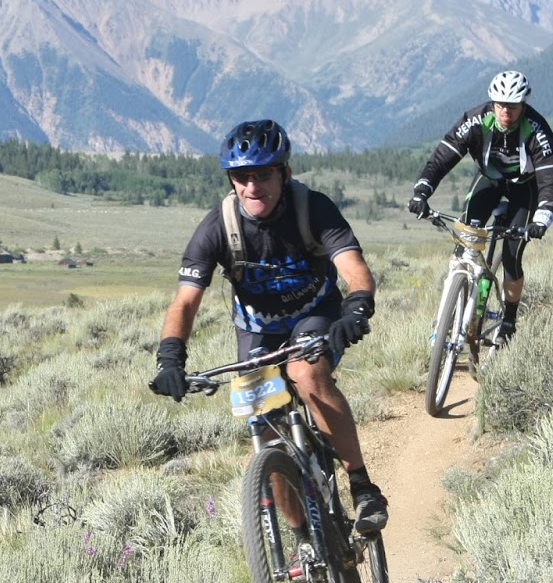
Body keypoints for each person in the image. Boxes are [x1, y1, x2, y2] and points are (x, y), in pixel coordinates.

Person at [150, 119, 389, 534]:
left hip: (317, 314)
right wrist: (170, 356)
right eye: (241, 177)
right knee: (266, 429)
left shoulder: (312, 208)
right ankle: (304, 538)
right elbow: (185, 300)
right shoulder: (217, 228)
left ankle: (363, 487)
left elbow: (354, 268)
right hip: (258, 329)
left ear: (285, 173)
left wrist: (357, 309)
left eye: (263, 174)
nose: (252, 186)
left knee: (307, 376)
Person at [408, 70, 553, 344]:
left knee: (512, 256)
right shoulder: (476, 120)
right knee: (463, 242)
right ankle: (447, 313)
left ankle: (508, 321)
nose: (506, 111)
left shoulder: (537, 129)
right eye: (501, 104)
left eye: (513, 106)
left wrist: (542, 219)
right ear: (492, 102)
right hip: (489, 181)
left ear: (523, 106)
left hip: (523, 189)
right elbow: (443, 158)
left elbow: (551, 179)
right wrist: (422, 190)